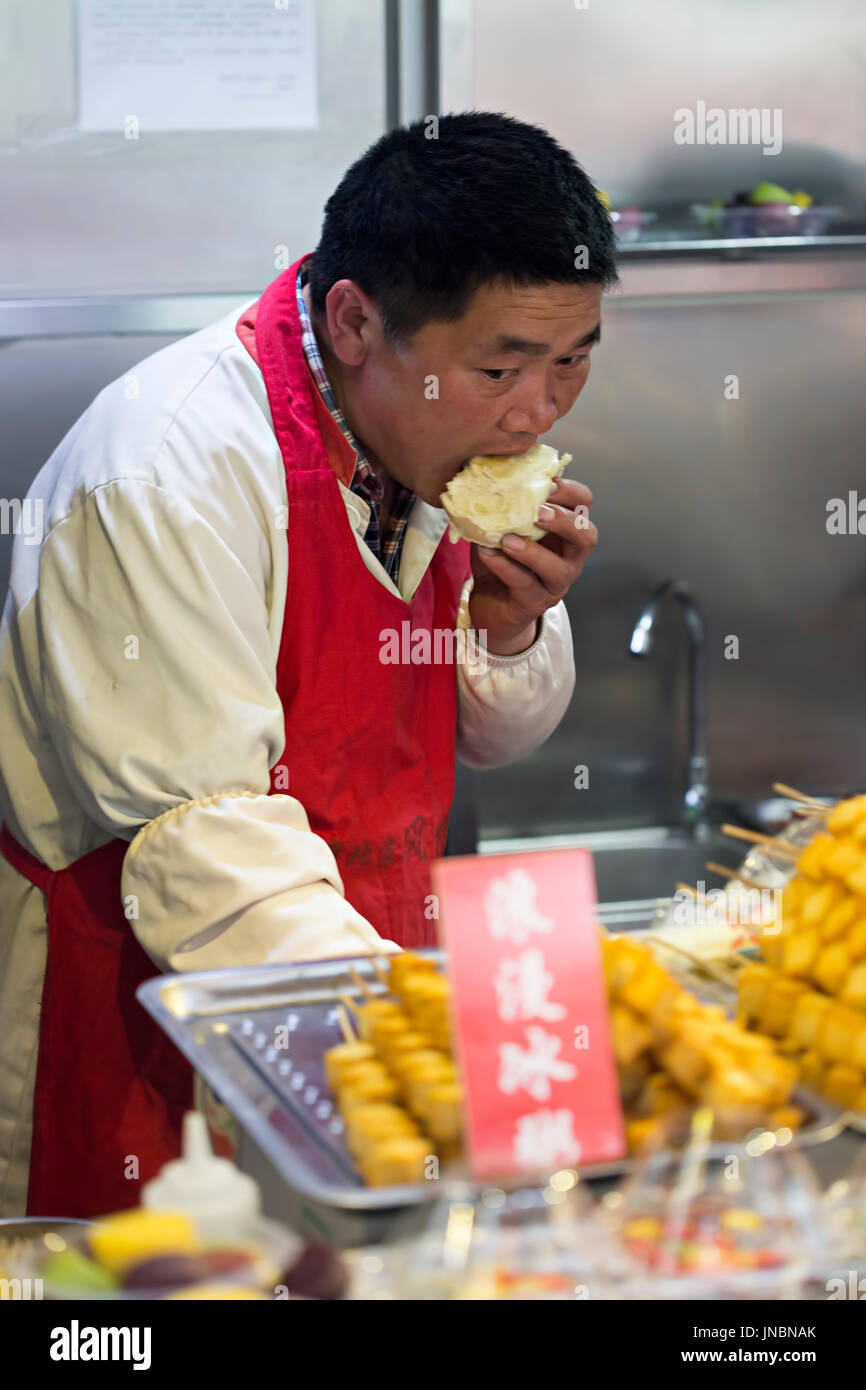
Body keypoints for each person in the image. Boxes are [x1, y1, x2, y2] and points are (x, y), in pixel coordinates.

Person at [0, 111, 617, 1218]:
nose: (538, 411)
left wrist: (506, 627)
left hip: (358, 956)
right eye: (498, 368)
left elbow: (486, 736)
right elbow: (204, 837)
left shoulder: (419, 433)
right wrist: (447, 1044)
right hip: (146, 1001)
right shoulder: (165, 472)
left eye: (572, 360)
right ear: (350, 323)